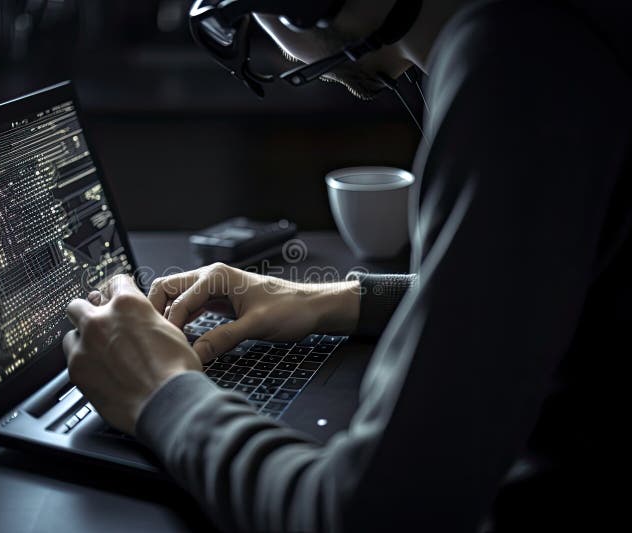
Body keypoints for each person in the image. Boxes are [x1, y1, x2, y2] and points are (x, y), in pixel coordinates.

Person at [62, 0, 631, 530]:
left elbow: (367, 514)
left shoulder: (517, 65)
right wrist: (332, 300)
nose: (281, 51)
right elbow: (552, 299)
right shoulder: (551, 26)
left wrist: (162, 392)